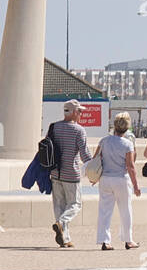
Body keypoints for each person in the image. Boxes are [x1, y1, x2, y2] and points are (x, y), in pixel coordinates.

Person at [47, 99, 92, 248]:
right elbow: (85, 156)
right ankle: (61, 223)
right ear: (73, 112)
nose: (81, 114)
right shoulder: (79, 130)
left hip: (55, 172)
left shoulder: (54, 127)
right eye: (80, 111)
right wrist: (96, 168)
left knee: (59, 205)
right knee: (75, 204)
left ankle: (65, 239)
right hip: (71, 173)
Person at [95, 114, 141, 251]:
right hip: (121, 179)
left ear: (114, 126)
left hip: (105, 179)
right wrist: (136, 186)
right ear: (127, 128)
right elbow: (130, 166)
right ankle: (128, 240)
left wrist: (94, 177)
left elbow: (96, 159)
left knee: (104, 211)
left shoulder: (104, 141)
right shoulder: (128, 144)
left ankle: (105, 241)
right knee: (125, 210)